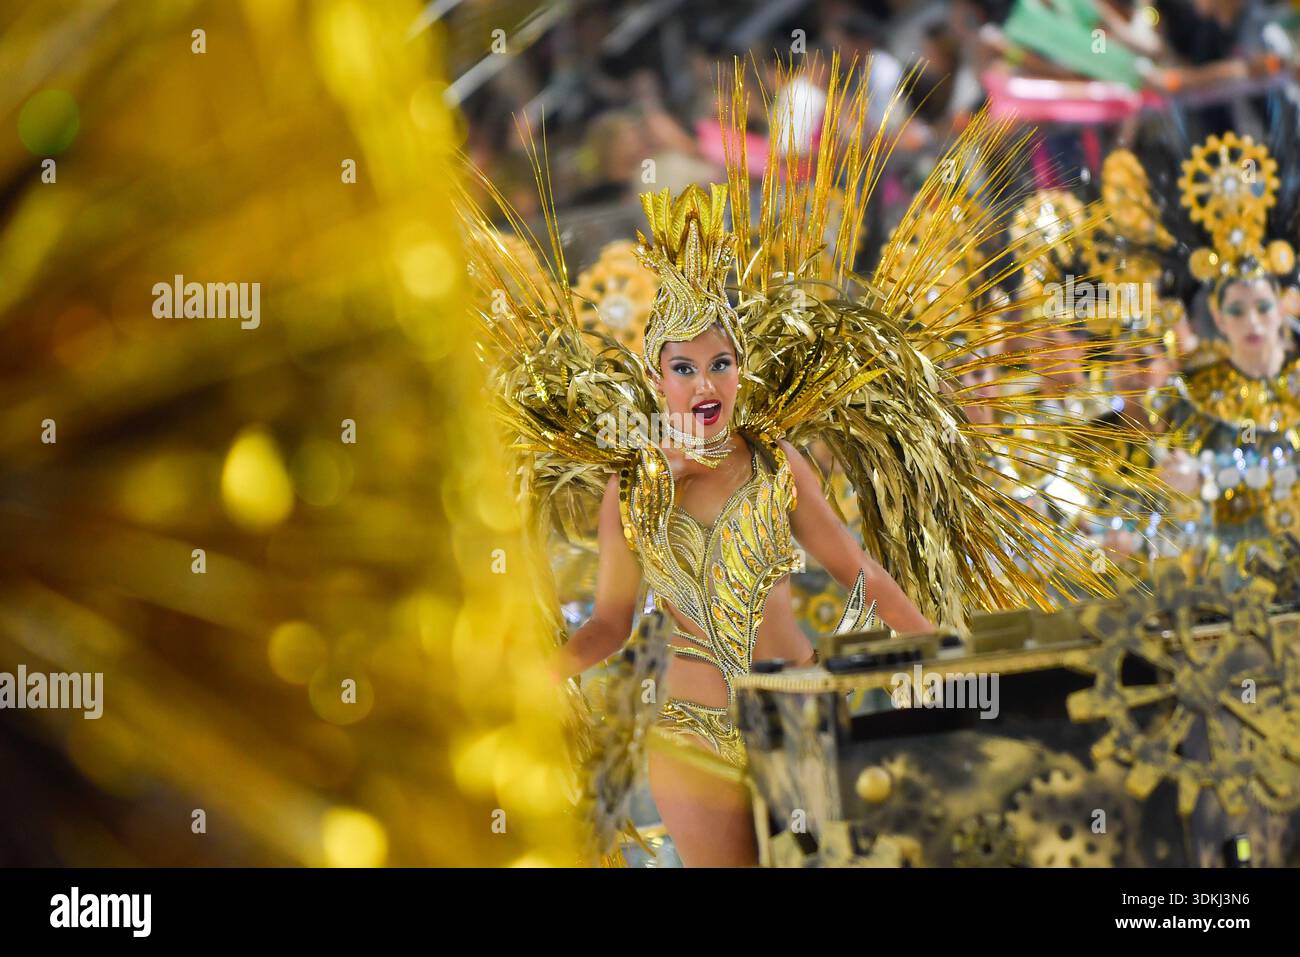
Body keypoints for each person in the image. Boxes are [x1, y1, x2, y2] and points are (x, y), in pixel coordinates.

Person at [461, 59, 1164, 867]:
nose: (705, 385)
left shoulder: (776, 463)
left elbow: (858, 570)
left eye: (719, 364)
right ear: (658, 380)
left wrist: (945, 655)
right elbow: (614, 622)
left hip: (804, 710)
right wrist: (536, 679)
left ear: (741, 371)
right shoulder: (633, 486)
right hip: (690, 736)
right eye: (683, 368)